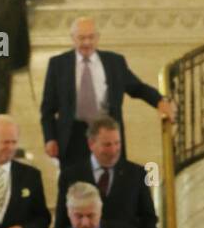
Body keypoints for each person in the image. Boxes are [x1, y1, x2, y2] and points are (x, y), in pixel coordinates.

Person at [40, 16, 174, 169]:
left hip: (107, 134)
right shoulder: (58, 64)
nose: (86, 43)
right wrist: (50, 138)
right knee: (74, 188)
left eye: (91, 37)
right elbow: (47, 109)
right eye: (81, 38)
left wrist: (159, 101)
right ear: (72, 38)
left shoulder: (114, 62)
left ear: (98, 38)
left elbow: (137, 88)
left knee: (111, 185)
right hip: (72, 137)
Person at [54, 116, 158, 228]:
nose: (114, 150)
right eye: (107, 145)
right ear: (91, 144)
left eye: (117, 143)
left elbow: (149, 218)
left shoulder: (136, 174)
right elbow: (62, 223)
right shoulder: (70, 176)